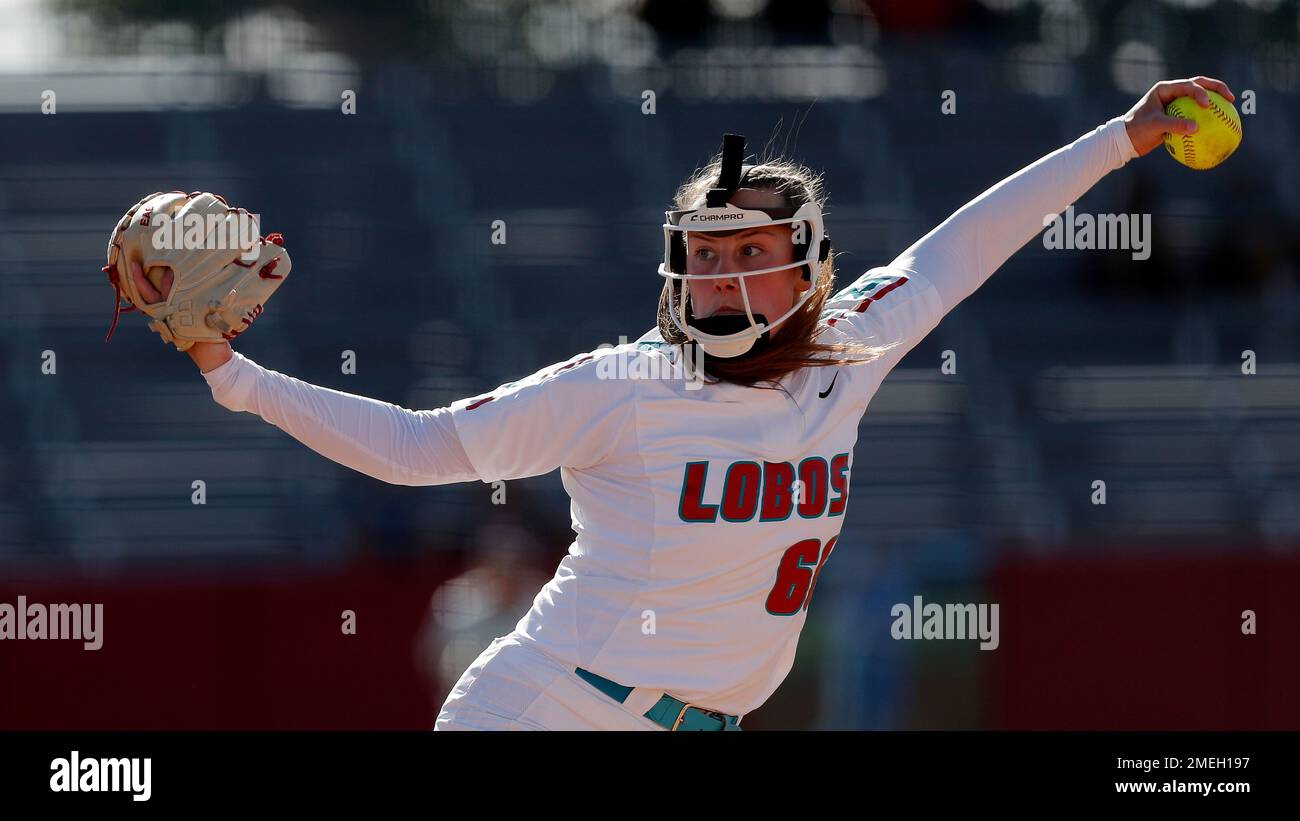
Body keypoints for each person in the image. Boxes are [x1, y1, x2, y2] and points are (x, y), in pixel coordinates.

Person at [135, 77, 1231, 731]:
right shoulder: (624, 385)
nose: (718, 277)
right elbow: (422, 448)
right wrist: (234, 377)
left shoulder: (850, 344)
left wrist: (1122, 137)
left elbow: (965, 244)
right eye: (703, 255)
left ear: (806, 268)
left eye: (748, 251)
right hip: (552, 709)